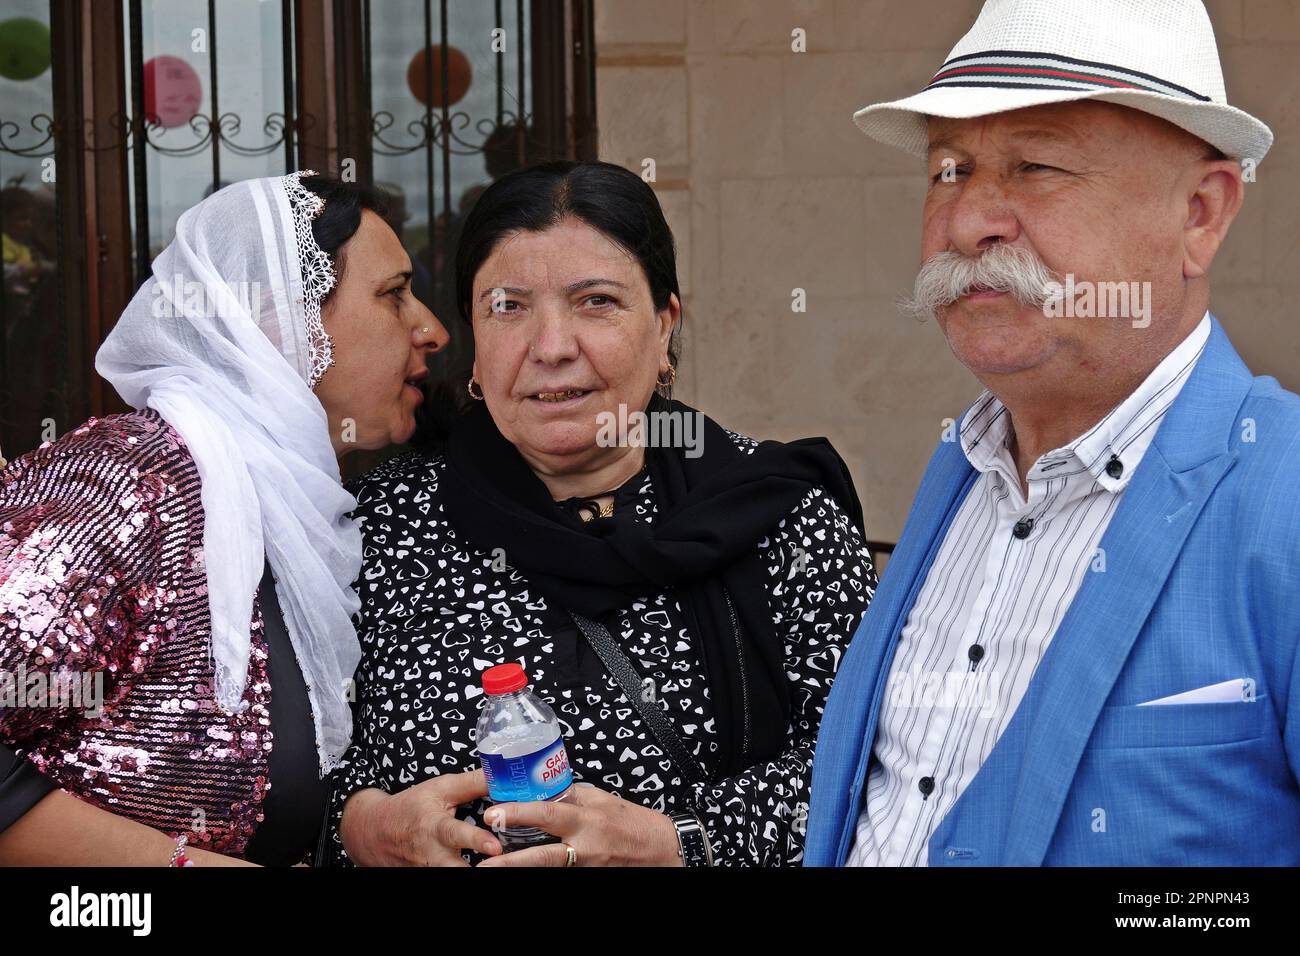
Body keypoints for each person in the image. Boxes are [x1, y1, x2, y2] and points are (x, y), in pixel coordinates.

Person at [806, 0, 1300, 867]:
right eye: (949, 170)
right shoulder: (962, 467)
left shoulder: (1282, 493)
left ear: (1201, 214)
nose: (966, 225)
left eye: (1036, 166)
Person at [329, 160, 877, 867]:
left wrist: (675, 843)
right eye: (509, 306)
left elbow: (871, 772)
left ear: (664, 327)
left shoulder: (781, 517)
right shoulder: (384, 527)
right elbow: (301, 772)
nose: (552, 347)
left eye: (596, 302)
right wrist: (365, 828)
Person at [0, 171, 448, 865]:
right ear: (280, 320)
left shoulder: (302, 510)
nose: (432, 329)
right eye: (394, 295)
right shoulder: (127, 484)